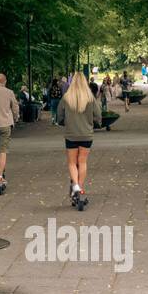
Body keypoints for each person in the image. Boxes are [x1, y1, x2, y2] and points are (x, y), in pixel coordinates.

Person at [57, 71, 102, 208]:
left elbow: (59, 115)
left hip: (71, 134)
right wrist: (95, 122)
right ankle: (80, 188)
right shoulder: (90, 97)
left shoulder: (66, 97)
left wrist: (63, 122)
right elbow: (98, 114)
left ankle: (75, 185)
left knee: (72, 162)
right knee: (82, 161)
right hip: (86, 134)